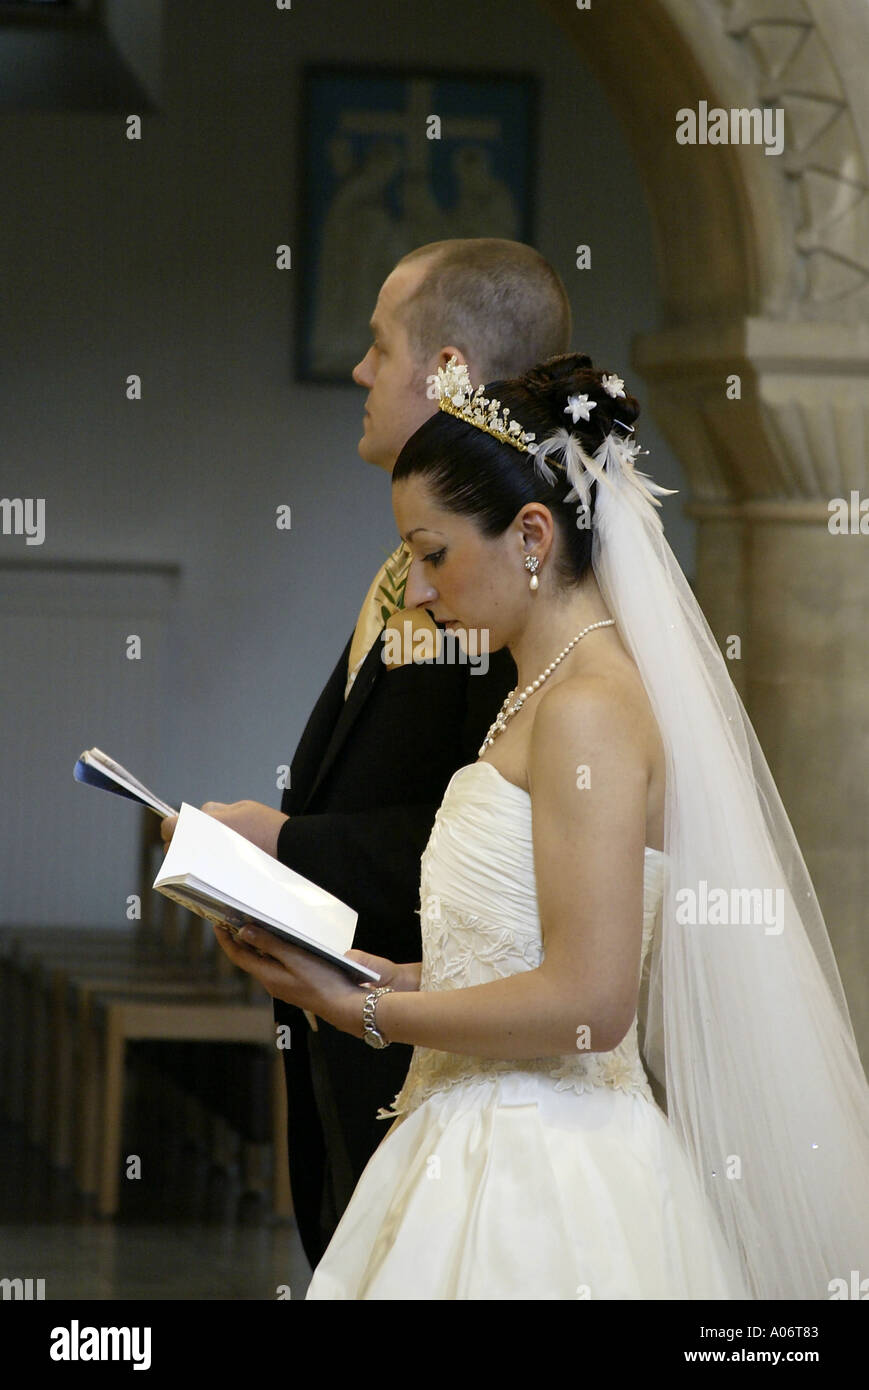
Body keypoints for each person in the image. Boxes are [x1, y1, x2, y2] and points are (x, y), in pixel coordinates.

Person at [213, 350, 869, 1299]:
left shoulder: (589, 709)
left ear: (530, 535)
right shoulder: (539, 694)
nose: (422, 591)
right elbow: (519, 953)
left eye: (432, 554)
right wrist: (372, 971)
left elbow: (589, 1005)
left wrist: (360, 1010)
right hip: (471, 1126)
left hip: (542, 1167)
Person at [160, 239, 573, 1270]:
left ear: (444, 371)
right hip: (371, 1021)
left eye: (375, 345)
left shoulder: (506, 591)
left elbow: (503, 838)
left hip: (450, 1058)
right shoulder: (427, 562)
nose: (358, 370)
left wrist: (288, 843)